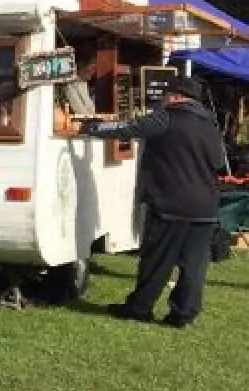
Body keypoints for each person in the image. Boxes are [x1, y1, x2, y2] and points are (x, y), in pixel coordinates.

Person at [80, 76, 225, 328]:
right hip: (206, 207)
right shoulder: (211, 125)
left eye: (166, 94)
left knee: (157, 261)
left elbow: (127, 127)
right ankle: (183, 315)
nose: (162, 99)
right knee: (194, 266)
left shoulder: (166, 117)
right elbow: (219, 163)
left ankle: (139, 308)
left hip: (171, 204)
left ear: (177, 96)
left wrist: (89, 128)